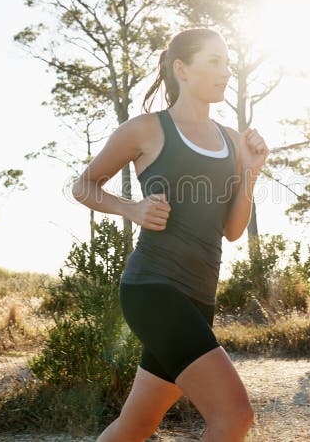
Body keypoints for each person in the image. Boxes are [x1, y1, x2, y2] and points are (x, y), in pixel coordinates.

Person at [72, 27, 269, 442]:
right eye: (214, 62)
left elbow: (233, 231)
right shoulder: (146, 129)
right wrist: (132, 209)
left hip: (200, 298)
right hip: (153, 290)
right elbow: (83, 186)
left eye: (228, 63)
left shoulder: (232, 141)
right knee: (235, 416)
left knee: (137, 424)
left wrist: (250, 172)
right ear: (181, 68)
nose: (226, 72)